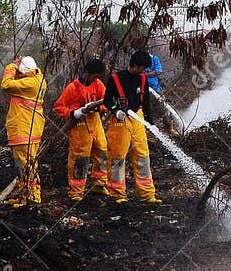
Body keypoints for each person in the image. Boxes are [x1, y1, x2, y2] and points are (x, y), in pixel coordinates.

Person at [101, 49, 160, 204]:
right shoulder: (116, 78)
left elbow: (145, 102)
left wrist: (151, 123)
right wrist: (116, 111)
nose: (143, 71)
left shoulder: (142, 79)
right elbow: (107, 100)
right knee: (118, 157)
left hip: (138, 118)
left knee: (142, 156)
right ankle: (117, 194)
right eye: (142, 68)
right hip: (121, 121)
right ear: (135, 64)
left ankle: (147, 194)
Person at [53, 59, 109, 201]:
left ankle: (99, 183)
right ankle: (76, 192)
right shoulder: (73, 88)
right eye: (94, 76)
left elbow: (106, 102)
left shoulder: (98, 85)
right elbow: (59, 107)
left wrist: (97, 107)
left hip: (95, 122)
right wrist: (73, 113)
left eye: (98, 76)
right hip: (79, 126)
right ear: (87, 73)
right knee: (80, 158)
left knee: (102, 150)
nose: (95, 79)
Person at [0, 55, 47, 209]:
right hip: (30, 129)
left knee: (25, 165)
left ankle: (32, 197)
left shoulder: (28, 84)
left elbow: (6, 85)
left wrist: (12, 66)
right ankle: (25, 195)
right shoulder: (38, 79)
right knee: (27, 164)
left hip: (23, 130)